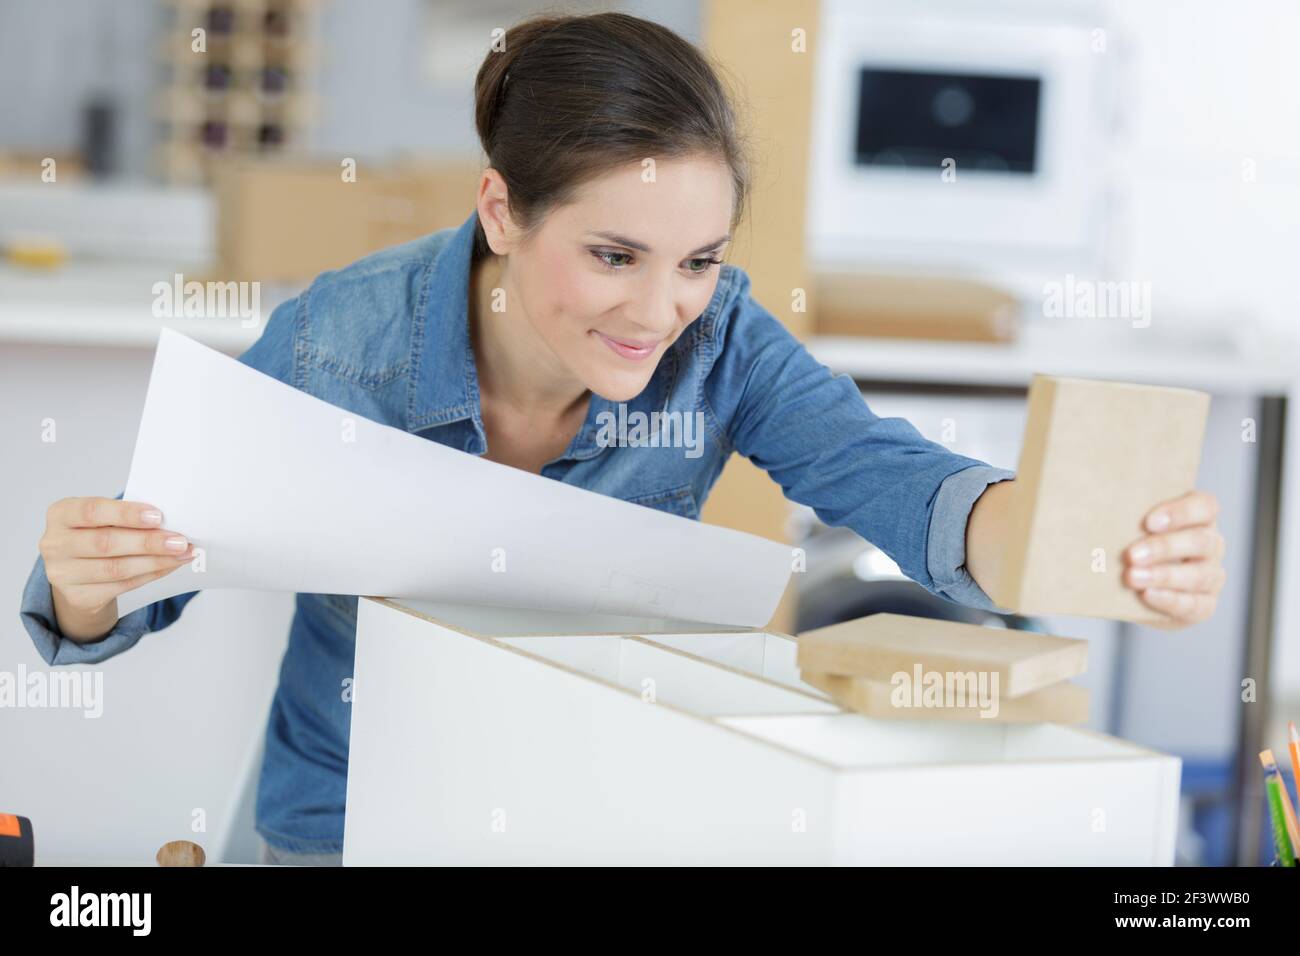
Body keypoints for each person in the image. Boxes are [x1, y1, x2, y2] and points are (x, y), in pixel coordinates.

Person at [19, 12, 1227, 866]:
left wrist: (1090, 545)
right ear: (501, 207)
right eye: (613, 255)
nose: (660, 312)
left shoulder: (724, 344)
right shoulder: (342, 345)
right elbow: (142, 579)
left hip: (601, 805)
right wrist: (83, 587)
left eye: (697, 260)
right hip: (349, 820)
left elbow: (896, 481)